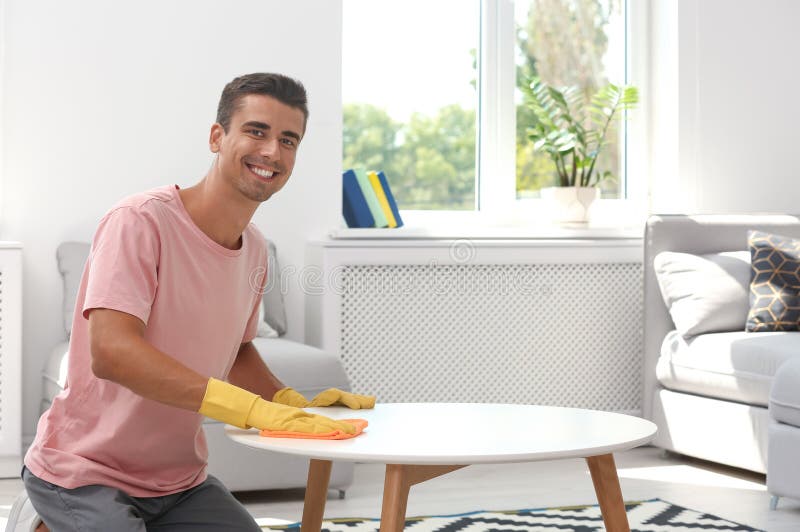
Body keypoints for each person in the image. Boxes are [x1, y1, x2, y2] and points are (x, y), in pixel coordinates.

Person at [22, 73, 374, 532]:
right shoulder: (139, 222)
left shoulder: (253, 248)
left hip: (177, 482)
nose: (272, 151)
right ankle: (41, 517)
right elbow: (111, 352)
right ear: (216, 137)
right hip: (83, 474)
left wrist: (291, 403)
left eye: (289, 140)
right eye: (256, 131)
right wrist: (247, 410)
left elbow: (238, 350)